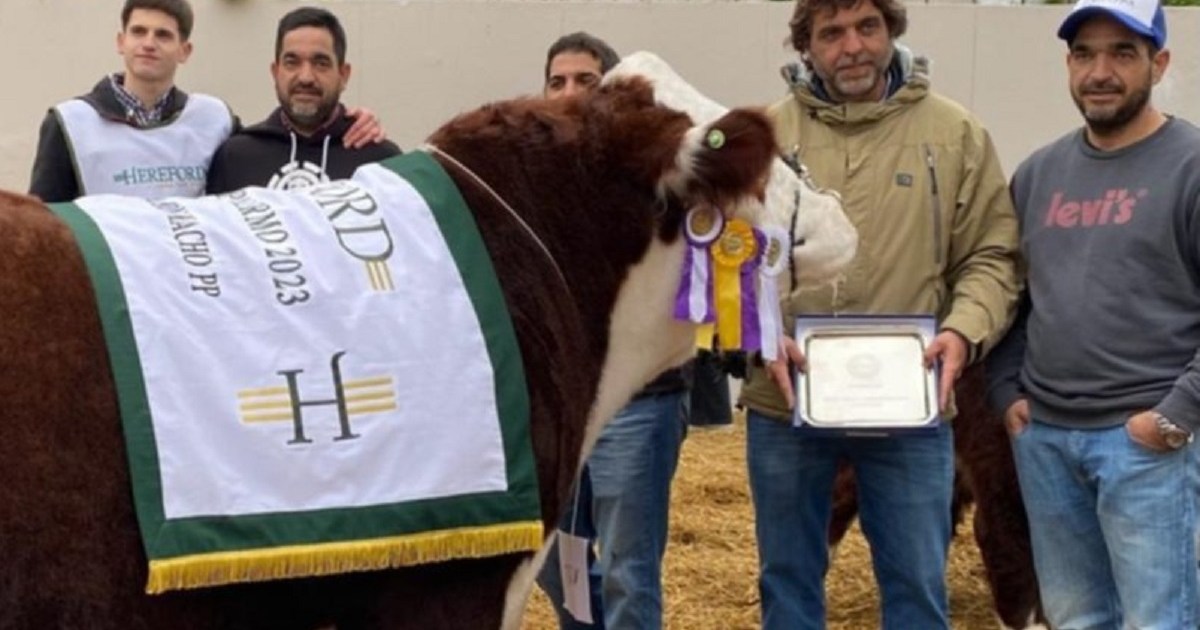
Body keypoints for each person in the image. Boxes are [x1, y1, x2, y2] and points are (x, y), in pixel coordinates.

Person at [735, 0, 1021, 627]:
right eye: (831, 33)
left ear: (892, 31)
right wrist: (759, 332)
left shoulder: (956, 135)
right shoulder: (758, 140)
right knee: (786, 583)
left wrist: (961, 331)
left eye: (868, 26)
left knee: (918, 584)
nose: (853, 46)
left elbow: (992, 255)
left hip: (910, 405)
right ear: (805, 46)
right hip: (785, 401)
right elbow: (726, 265)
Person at [985, 0, 1200, 625]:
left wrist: (1173, 417)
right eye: (1084, 54)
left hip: (1145, 445)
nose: (1099, 71)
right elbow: (1013, 297)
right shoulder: (1039, 174)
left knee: (1157, 620)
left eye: (1122, 54)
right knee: (1076, 620)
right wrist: (1006, 394)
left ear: (1159, 64)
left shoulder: (1189, 167)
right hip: (1047, 439)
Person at [534, 32, 691, 630]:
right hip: (564, 408)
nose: (570, 92)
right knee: (559, 559)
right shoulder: (536, 182)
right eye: (557, 81)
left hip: (637, 405)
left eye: (586, 80)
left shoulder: (656, 178)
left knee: (628, 568)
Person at [28, 0, 382, 202]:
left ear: (185, 50)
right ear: (121, 42)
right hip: (109, 302)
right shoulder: (71, 124)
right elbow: (43, 229)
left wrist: (346, 120)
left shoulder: (213, 119)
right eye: (139, 31)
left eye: (163, 35)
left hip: (190, 306)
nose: (149, 43)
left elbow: (278, 139)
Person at [205, 6, 400, 193]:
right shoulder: (235, 158)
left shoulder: (382, 162)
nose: (306, 77)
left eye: (320, 63)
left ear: (343, 75)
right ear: (275, 72)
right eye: (292, 62)